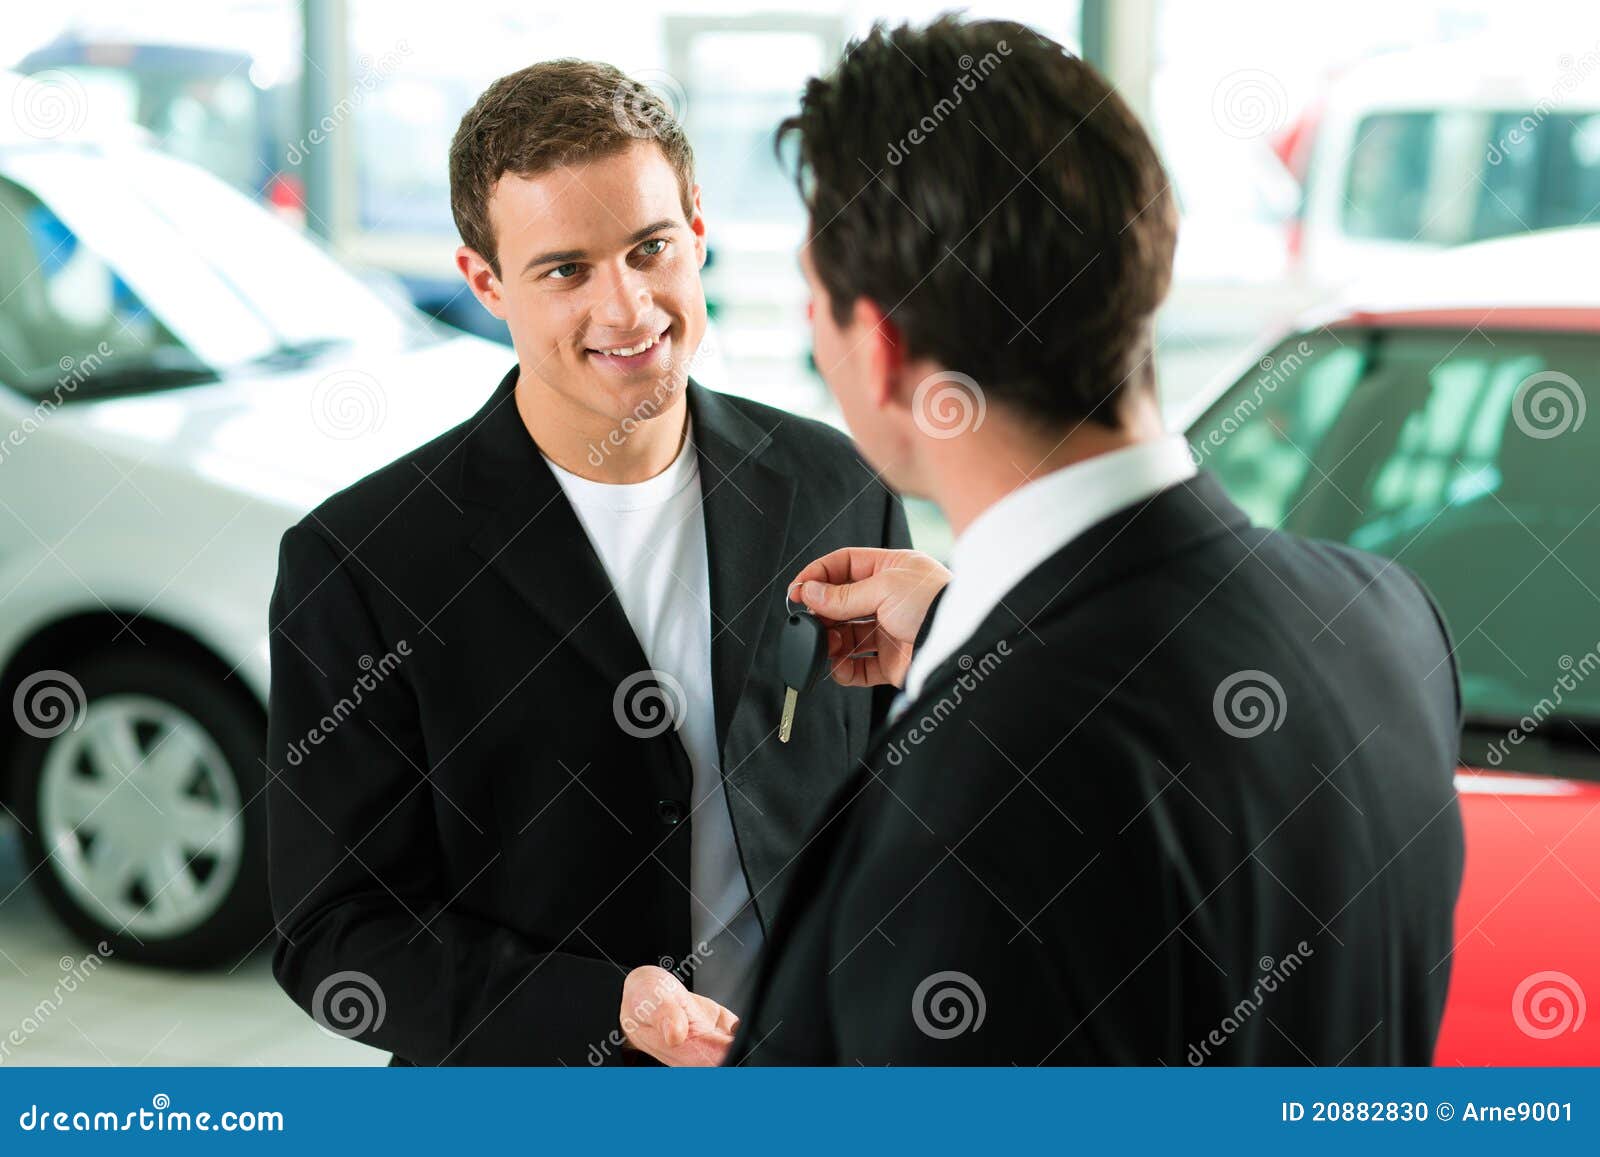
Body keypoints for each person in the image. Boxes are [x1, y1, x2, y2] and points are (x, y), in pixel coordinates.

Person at [722, 16, 1464, 1065]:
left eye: (814, 302)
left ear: (880, 346)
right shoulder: (1383, 619)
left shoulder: (976, 805)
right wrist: (961, 633)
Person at [264, 59, 909, 1066]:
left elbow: (890, 803)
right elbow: (335, 932)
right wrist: (600, 1010)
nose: (627, 309)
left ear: (696, 228)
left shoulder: (836, 485)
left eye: (650, 248)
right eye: (565, 269)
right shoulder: (362, 562)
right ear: (486, 282)